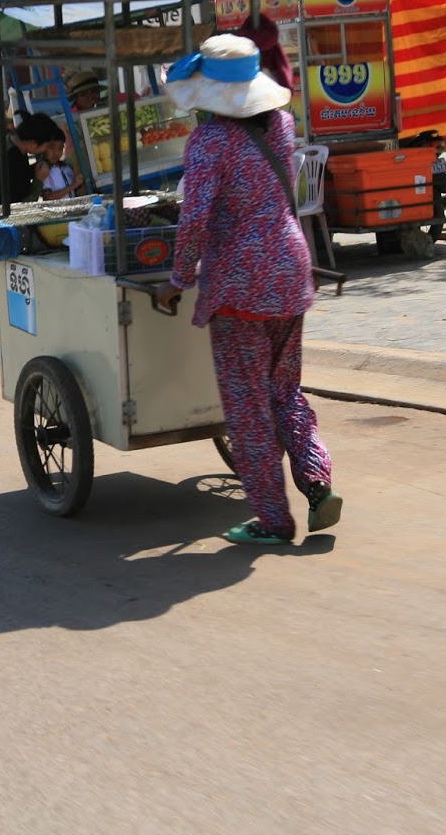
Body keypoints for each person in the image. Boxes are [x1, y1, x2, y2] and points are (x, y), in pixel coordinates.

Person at [153, 34, 341, 546]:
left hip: (240, 282)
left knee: (248, 404)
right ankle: (318, 480)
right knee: (286, 390)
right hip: (289, 268)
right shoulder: (280, 124)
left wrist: (178, 280)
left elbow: (194, 219)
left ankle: (274, 521)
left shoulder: (210, 142)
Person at [0, 111, 58, 207]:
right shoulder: (11, 160)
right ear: (33, 143)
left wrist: (35, 169)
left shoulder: (11, 143)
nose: (46, 150)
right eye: (47, 146)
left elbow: (21, 174)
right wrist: (39, 180)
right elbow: (24, 206)